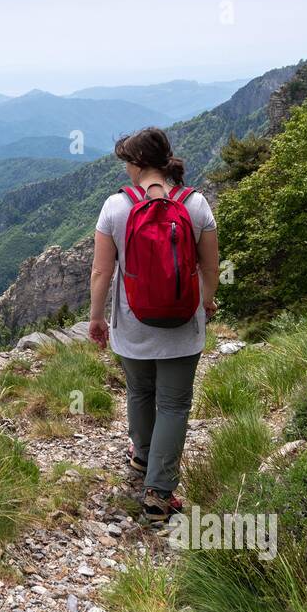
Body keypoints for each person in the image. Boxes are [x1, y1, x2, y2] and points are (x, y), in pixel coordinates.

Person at [88, 127, 220, 521]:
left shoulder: (115, 206)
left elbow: (100, 270)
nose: (126, 170)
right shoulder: (195, 204)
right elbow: (210, 265)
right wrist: (207, 301)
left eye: (127, 162)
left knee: (140, 392)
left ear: (137, 164)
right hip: (183, 324)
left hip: (133, 325)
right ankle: (159, 495)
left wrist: (96, 318)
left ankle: (143, 458)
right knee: (174, 405)